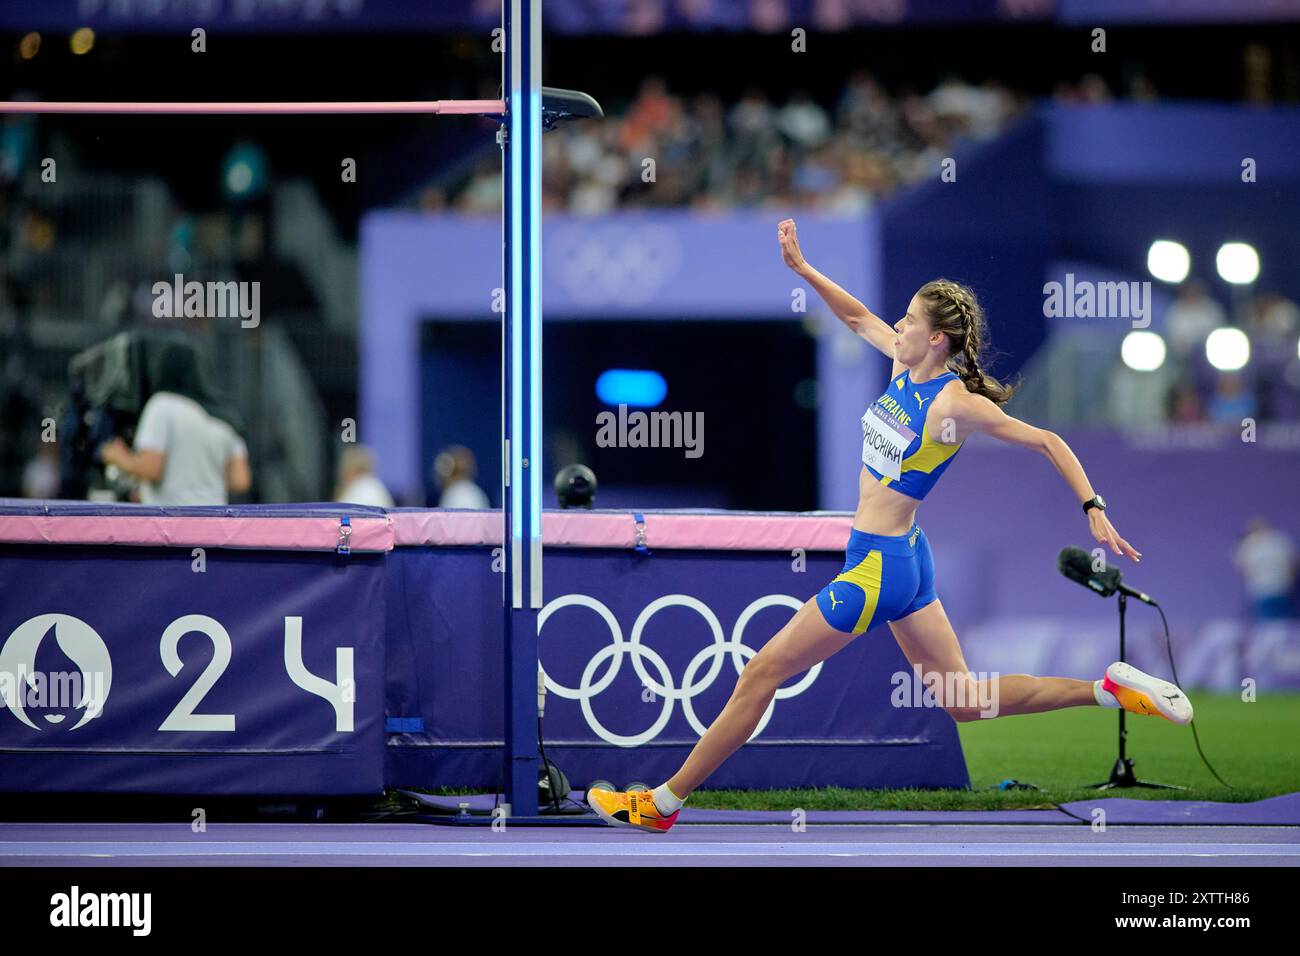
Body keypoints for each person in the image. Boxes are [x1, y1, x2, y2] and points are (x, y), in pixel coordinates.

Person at [589, 218, 1194, 833]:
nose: (896, 325)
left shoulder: (954, 403)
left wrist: (1093, 507)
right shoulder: (906, 369)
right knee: (962, 701)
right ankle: (1108, 691)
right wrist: (803, 271)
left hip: (878, 568)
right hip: (905, 558)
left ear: (935, 339)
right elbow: (855, 319)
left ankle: (662, 803)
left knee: (760, 673)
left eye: (907, 320)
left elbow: (1047, 440)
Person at [98, 340, 251, 505]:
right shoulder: (225, 419)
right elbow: (240, 480)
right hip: (214, 521)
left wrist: (117, 456)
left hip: (172, 523)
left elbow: (151, 469)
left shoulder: (162, 405)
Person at [1234, 518, 1297, 621]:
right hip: (1263, 588)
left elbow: (1292, 563)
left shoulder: (1278, 542)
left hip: (1279, 587)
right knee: (1270, 620)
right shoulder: (1250, 544)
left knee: (1281, 620)